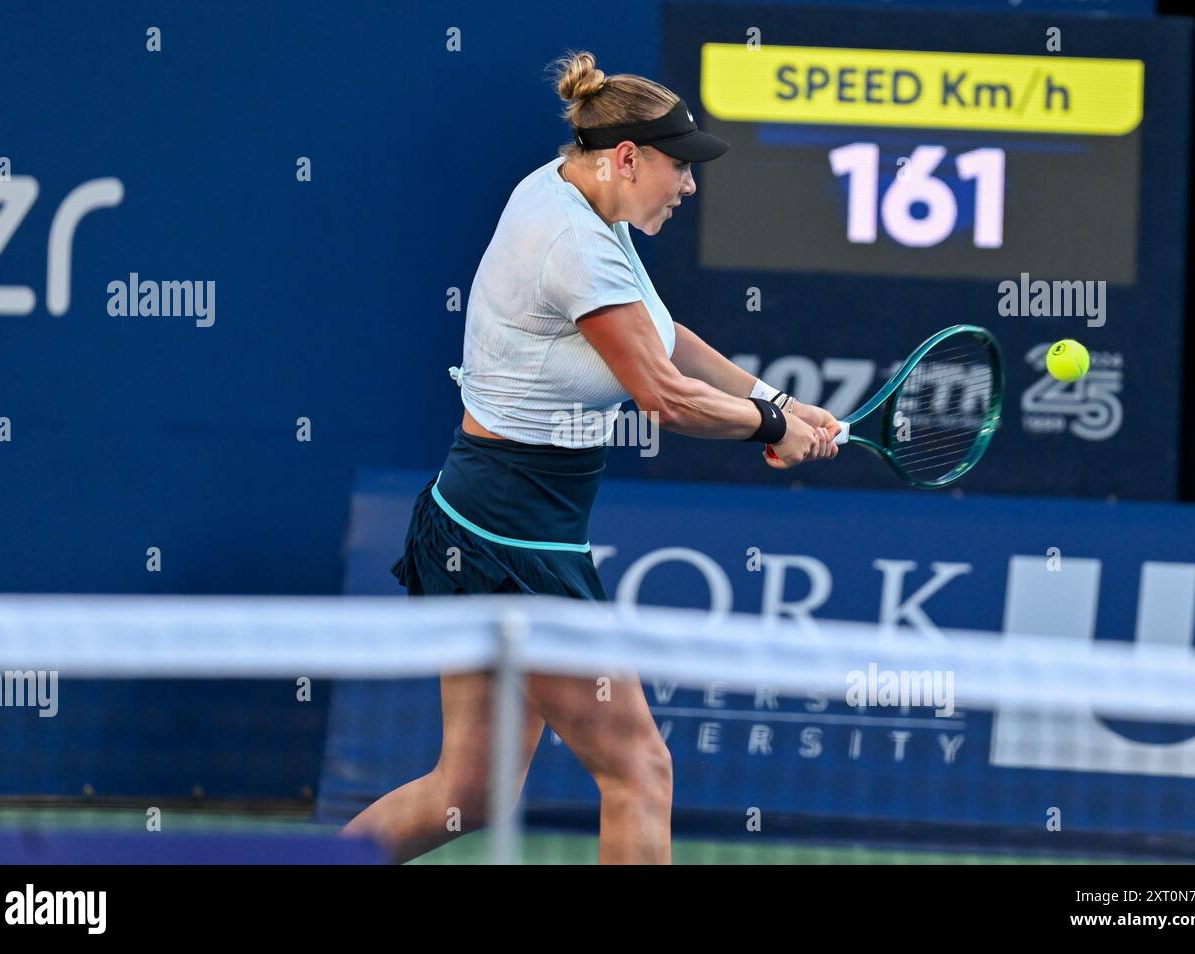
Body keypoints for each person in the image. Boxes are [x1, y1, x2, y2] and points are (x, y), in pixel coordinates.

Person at [343, 50, 841, 864]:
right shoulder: (573, 241)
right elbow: (666, 397)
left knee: (466, 797)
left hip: (478, 519)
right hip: (511, 540)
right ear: (627, 157)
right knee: (638, 766)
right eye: (678, 169)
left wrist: (777, 402)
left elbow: (666, 333)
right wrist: (768, 430)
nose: (688, 187)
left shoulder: (574, 190)